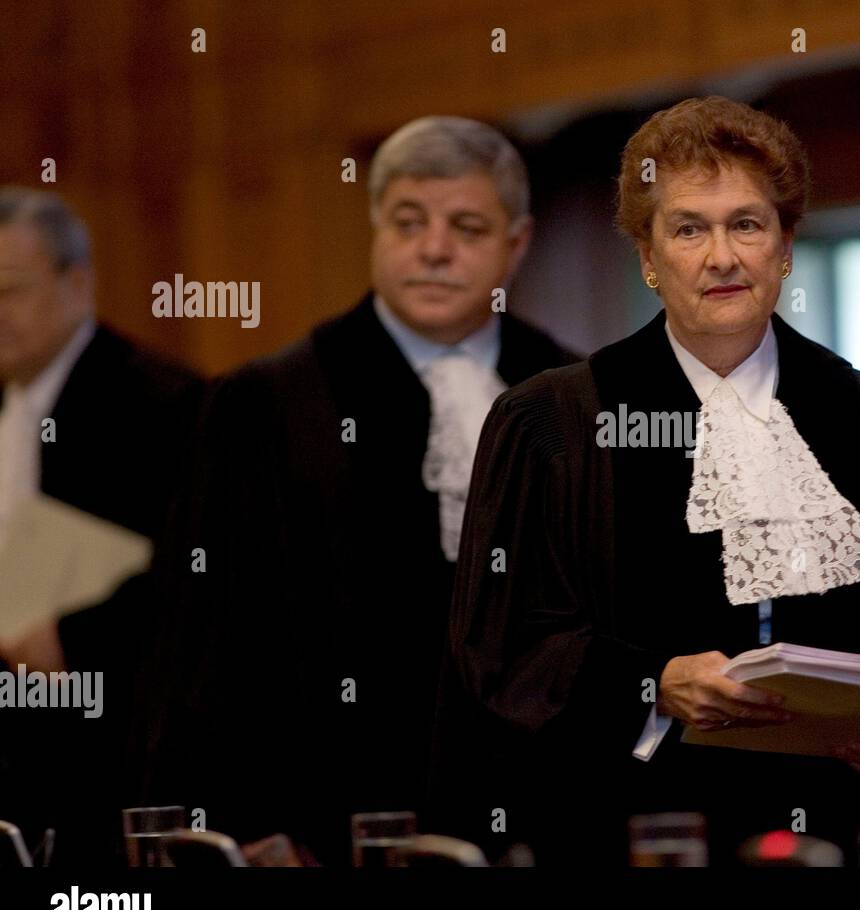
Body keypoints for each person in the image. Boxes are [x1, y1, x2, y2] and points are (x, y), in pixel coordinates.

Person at [440, 96, 860, 866]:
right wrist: (652, 681)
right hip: (637, 829)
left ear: (784, 248)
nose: (722, 256)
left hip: (846, 829)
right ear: (647, 257)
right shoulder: (548, 426)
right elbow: (501, 644)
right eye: (688, 229)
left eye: (747, 223)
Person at [148, 117, 578, 864]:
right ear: (376, 226)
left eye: (467, 227)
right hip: (322, 817)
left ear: (517, 243)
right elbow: (203, 631)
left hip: (537, 811)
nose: (434, 249)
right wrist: (236, 822)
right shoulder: (264, 400)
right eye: (409, 222)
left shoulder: (574, 397)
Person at [0, 187, 203, 865]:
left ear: (76, 284)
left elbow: (201, 577)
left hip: (114, 746)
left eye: (10, 289)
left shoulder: (161, 402)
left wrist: (72, 638)